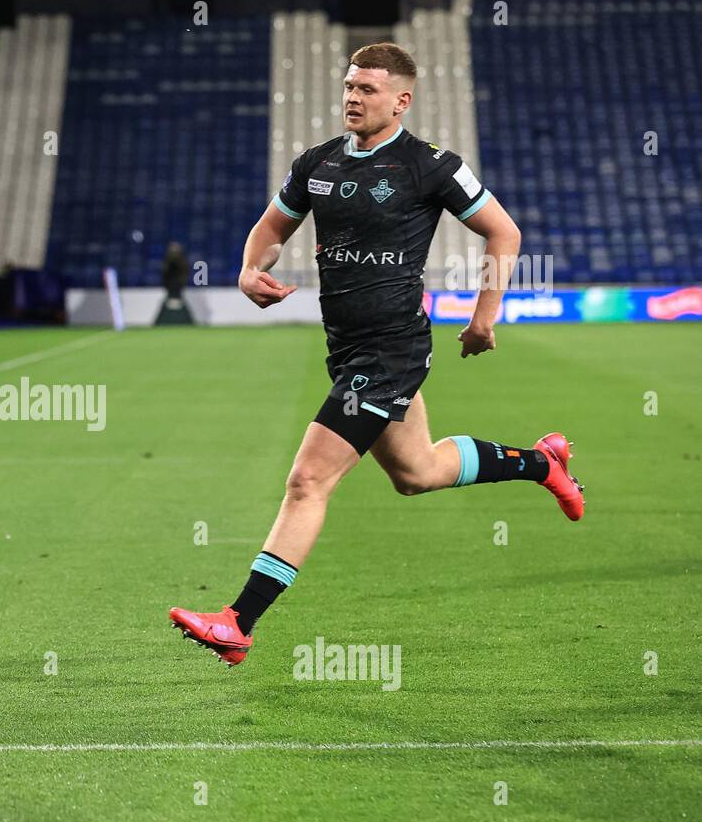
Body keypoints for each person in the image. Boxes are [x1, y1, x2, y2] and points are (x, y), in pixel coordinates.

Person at [168, 43, 584, 667]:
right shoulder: (316, 164)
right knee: (416, 472)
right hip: (347, 348)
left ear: (401, 100)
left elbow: (504, 231)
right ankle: (542, 463)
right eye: (349, 86)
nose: (353, 98)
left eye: (367, 89)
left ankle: (237, 621)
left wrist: (484, 316)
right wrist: (251, 271)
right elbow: (270, 231)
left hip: (392, 351)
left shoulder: (432, 166)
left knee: (308, 480)